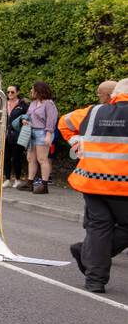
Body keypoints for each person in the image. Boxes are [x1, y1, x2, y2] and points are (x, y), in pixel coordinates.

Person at [59, 77, 128, 294]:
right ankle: (86, 254)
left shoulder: (94, 111)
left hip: (92, 180)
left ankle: (95, 281)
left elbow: (64, 122)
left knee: (100, 228)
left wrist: (76, 143)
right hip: (122, 185)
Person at [18, 81, 58, 194]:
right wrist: (25, 119)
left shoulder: (49, 103)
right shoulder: (33, 103)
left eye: (33, 89)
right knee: (30, 158)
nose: (31, 91)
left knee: (42, 159)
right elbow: (29, 115)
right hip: (31, 132)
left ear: (39, 91)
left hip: (43, 133)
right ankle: (30, 183)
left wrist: (49, 135)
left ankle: (44, 185)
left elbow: (51, 120)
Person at [2, 85, 29, 187]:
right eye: (8, 92)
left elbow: (28, 116)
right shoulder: (4, 104)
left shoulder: (23, 105)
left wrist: (24, 120)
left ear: (17, 92)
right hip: (6, 134)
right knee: (6, 158)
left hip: (18, 135)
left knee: (17, 158)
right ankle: (7, 178)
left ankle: (17, 179)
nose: (9, 94)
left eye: (12, 92)